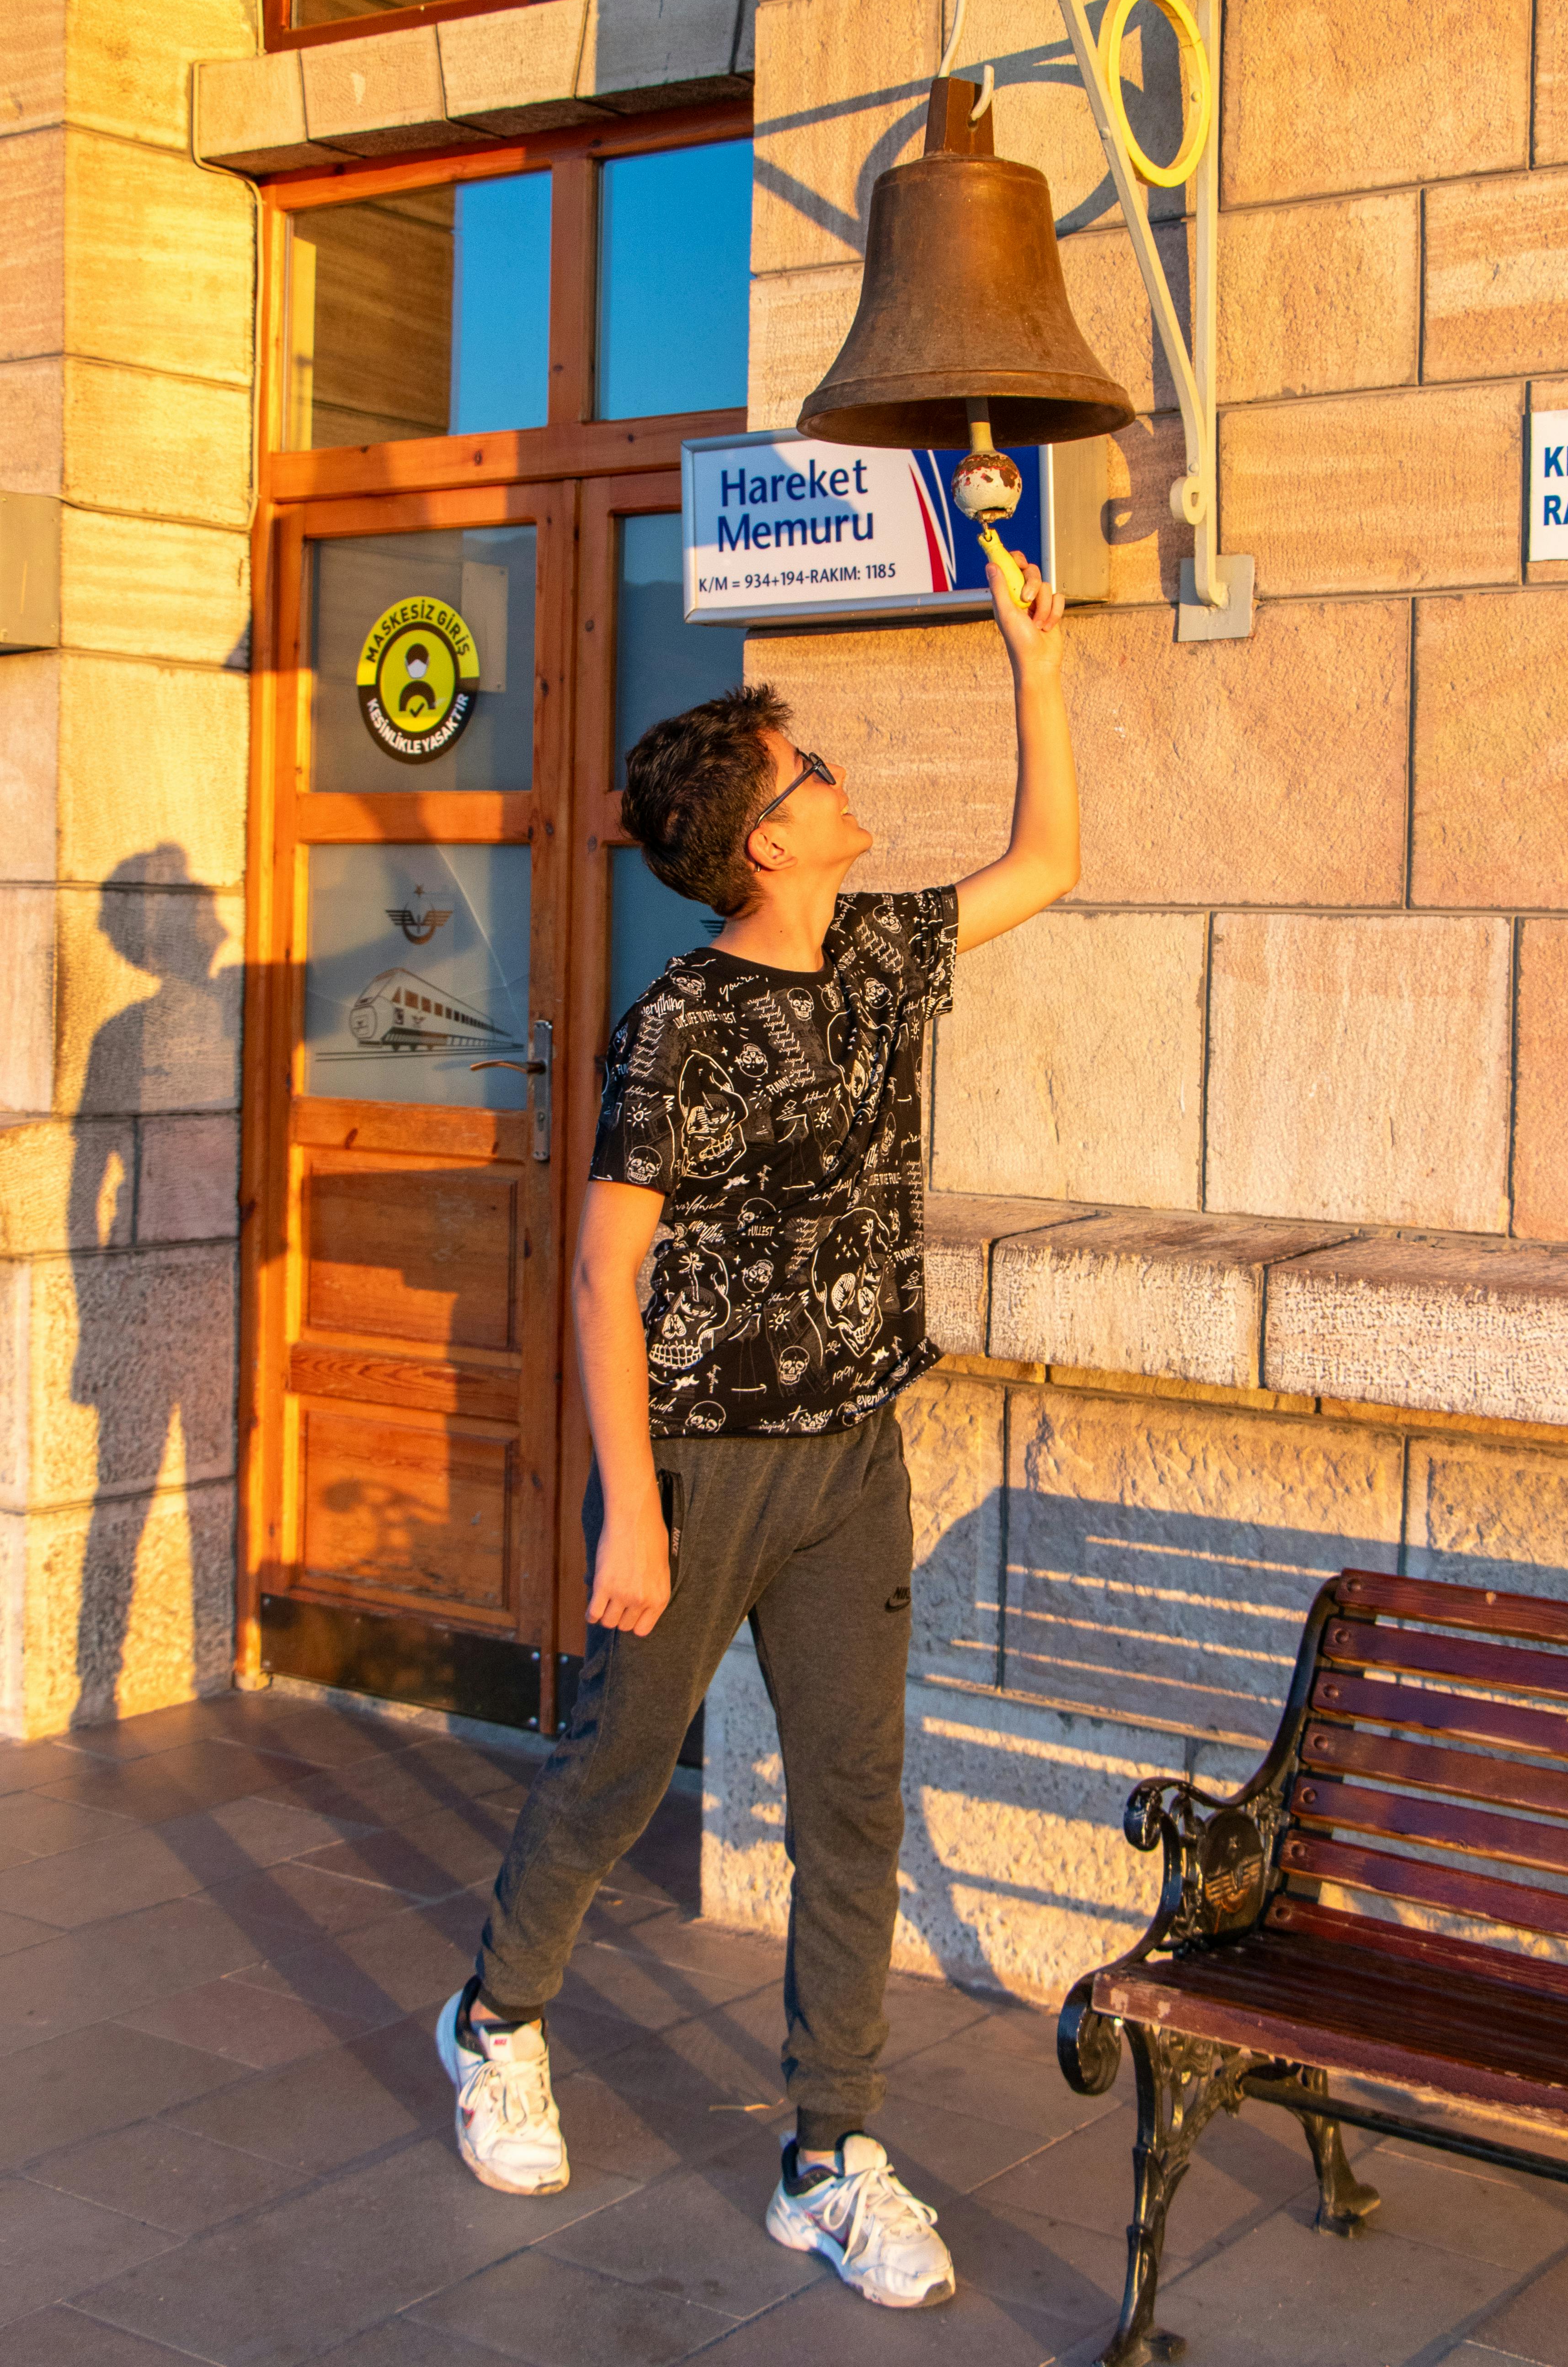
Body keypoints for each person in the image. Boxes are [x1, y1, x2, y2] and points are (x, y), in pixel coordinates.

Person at [438, 544, 1078, 2308]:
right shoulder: (682, 1032)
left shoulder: (875, 954)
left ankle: (829, 2154)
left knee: (852, 1805)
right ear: (766, 839)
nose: (841, 778)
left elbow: (1053, 863)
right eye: (815, 772)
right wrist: (628, 1514)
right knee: (622, 1767)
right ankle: (495, 2018)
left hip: (851, 1459)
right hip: (701, 1465)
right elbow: (599, 1276)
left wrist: (1034, 659)